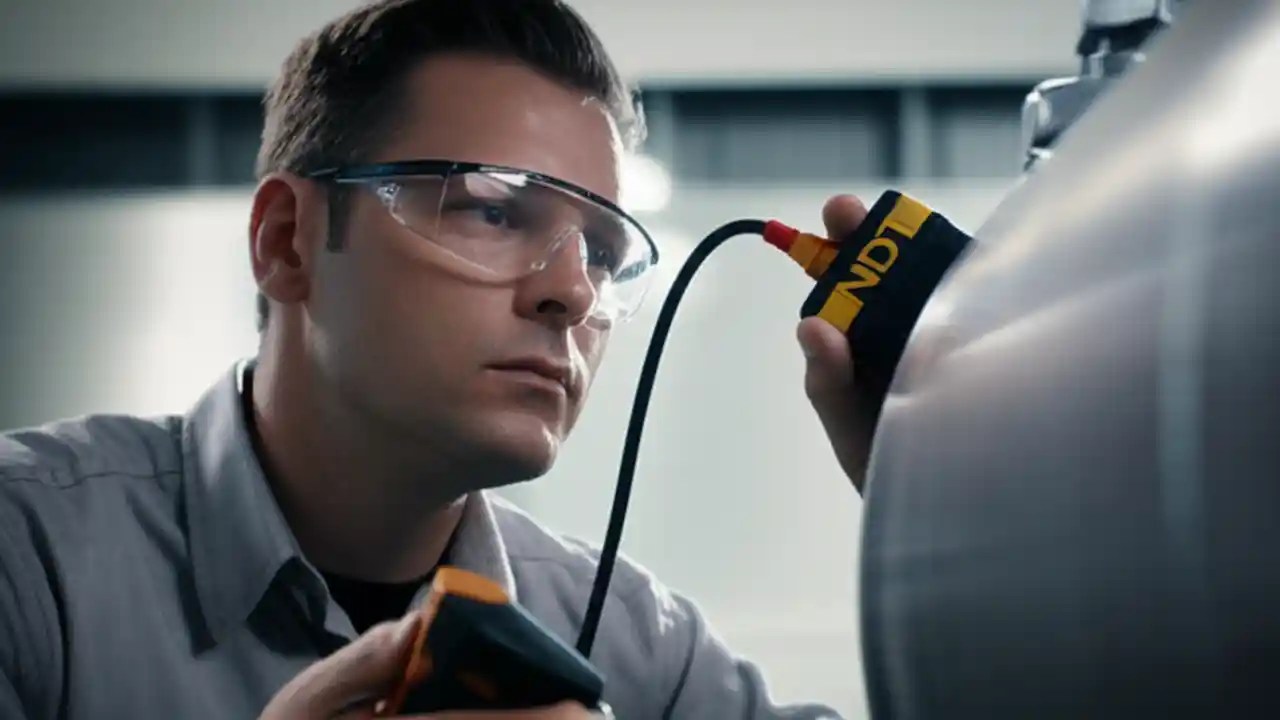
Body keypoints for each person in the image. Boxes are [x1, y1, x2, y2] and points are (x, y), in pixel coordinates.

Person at [0, 1, 874, 718]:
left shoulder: (640, 646)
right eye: (492, 212)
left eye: (604, 254)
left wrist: (936, 488)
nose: (570, 293)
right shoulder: (28, 557)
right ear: (286, 242)